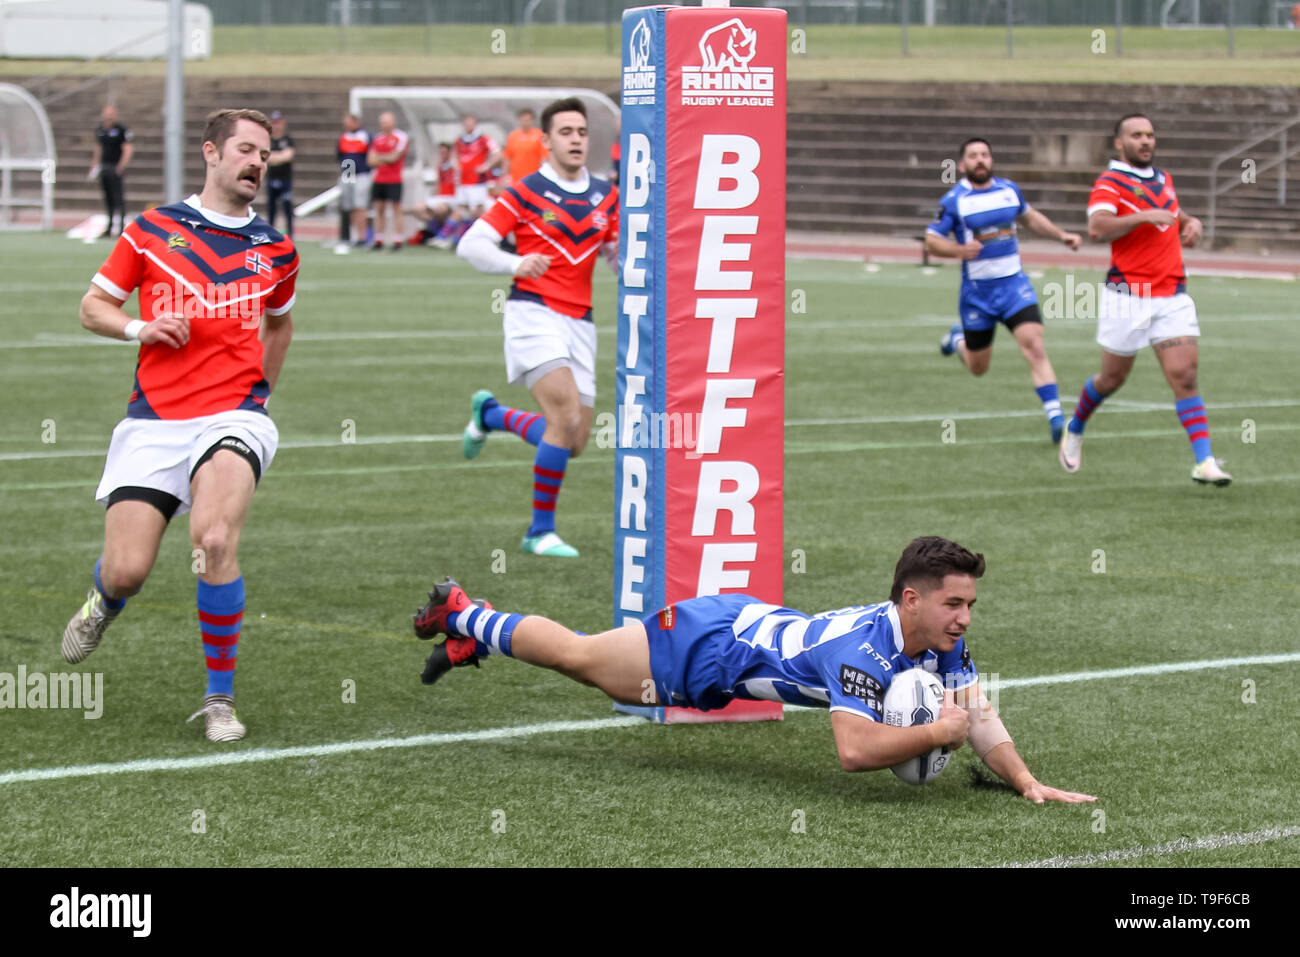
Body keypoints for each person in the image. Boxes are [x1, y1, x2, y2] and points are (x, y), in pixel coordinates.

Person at [412, 536, 1097, 805]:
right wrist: (934, 733)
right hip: (708, 645)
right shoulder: (863, 649)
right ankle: (465, 613)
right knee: (582, 658)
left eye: (971, 603)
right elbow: (855, 751)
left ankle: (475, 631)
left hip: (744, 625)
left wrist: (1027, 780)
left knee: (586, 659)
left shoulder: (936, 636)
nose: (965, 618)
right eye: (955, 602)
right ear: (912, 599)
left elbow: (974, 711)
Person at [61, 108, 298, 743]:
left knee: (214, 540)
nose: (257, 163)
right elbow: (93, 307)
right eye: (246, 149)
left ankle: (218, 699)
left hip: (235, 416)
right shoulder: (151, 230)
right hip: (155, 422)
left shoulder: (276, 248)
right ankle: (103, 603)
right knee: (127, 571)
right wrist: (142, 327)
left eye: (265, 154)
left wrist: (261, 397)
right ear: (211, 153)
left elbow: (279, 322)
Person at [454, 98, 618, 558]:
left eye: (582, 132)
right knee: (563, 418)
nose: (576, 140)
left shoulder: (607, 194)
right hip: (534, 312)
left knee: (576, 439)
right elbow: (472, 245)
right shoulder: (525, 192)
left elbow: (614, 256)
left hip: (581, 322)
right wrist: (517, 262)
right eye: (566, 132)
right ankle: (539, 531)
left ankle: (491, 416)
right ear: (546, 141)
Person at [1059, 114, 1231, 486]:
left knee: (1184, 376)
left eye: (1150, 135)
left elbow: (1173, 213)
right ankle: (1076, 426)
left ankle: (1204, 462)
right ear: (1120, 143)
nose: (1145, 141)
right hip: (1127, 296)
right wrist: (1142, 216)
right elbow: (1097, 227)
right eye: (1136, 135)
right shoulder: (1110, 182)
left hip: (1171, 294)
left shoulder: (1163, 179)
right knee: (1111, 379)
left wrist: (1191, 222)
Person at [926, 138, 1082, 444]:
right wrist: (958, 249)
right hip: (978, 296)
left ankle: (1055, 417)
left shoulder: (1009, 190)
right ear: (962, 165)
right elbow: (932, 240)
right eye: (973, 156)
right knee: (978, 367)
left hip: (1015, 287)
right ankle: (957, 339)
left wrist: (1061, 235)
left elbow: (1030, 216)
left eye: (985, 154)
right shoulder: (954, 200)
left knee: (1034, 345)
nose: (980, 160)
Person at [89, 104, 134, 238]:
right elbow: (99, 148)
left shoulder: (121, 130)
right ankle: (109, 227)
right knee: (107, 198)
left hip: (115, 168)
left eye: (111, 113)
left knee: (118, 198)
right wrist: (95, 165)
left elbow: (128, 148)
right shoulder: (100, 130)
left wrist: (121, 165)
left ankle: (121, 227)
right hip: (104, 167)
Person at [367, 111, 408, 251]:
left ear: (393, 122)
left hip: (394, 179)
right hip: (379, 179)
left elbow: (395, 157)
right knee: (379, 209)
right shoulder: (377, 138)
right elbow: (371, 160)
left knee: (396, 209)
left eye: (386, 121)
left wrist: (381, 157)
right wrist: (386, 158)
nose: (383, 124)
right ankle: (378, 239)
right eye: (382, 122)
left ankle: (398, 240)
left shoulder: (400, 137)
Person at [336, 111, 372, 253]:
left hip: (361, 174)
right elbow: (340, 156)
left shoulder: (365, 136)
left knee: (360, 205)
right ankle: (349, 235)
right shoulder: (343, 138)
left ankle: (362, 237)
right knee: (347, 205)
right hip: (347, 174)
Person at [453, 113, 501, 219]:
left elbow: (497, 153)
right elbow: (454, 155)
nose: (468, 125)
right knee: (461, 210)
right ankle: (450, 235)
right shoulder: (459, 140)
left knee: (477, 211)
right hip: (463, 180)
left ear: (475, 124)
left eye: (471, 123)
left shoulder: (484, 139)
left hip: (477, 181)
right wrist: (456, 166)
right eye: (466, 123)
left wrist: (486, 166)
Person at [265, 111, 295, 239]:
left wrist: (274, 157)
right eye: (274, 123)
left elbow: (288, 156)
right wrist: (279, 157)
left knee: (287, 207)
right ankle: (271, 232)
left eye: (279, 123)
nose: (276, 126)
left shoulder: (287, 140)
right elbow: (265, 157)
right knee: (271, 208)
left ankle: (290, 233)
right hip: (271, 178)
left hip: (285, 179)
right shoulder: (268, 140)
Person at [503, 107, 547, 186]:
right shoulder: (513, 135)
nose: (525, 122)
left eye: (528, 120)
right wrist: (505, 175)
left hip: (533, 178)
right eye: (523, 120)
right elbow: (507, 157)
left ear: (532, 120)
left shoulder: (539, 135)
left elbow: (543, 157)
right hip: (516, 179)